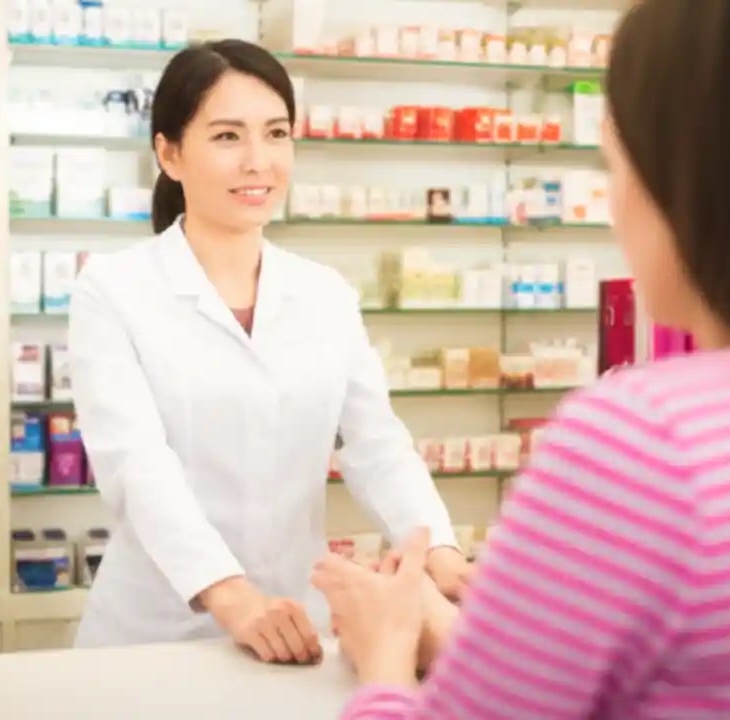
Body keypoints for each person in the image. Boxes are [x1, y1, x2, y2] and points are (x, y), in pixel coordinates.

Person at [314, 0, 730, 716]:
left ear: (689, 180)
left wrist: (385, 658)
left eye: (613, 163)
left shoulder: (649, 442)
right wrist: (471, 643)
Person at [67, 39, 471, 665]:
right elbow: (137, 467)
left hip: (294, 628)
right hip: (154, 634)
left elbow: (377, 446)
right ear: (169, 153)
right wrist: (230, 595)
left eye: (276, 133)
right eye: (228, 137)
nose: (258, 161)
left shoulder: (324, 294)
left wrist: (439, 552)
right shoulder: (113, 290)